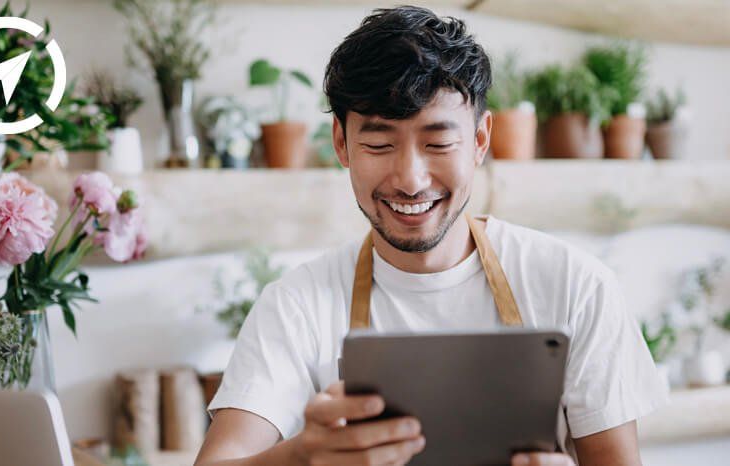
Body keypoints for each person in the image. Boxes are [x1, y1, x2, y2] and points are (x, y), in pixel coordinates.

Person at [195, 6, 667, 466]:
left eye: (438, 143)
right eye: (379, 144)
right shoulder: (297, 306)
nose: (410, 179)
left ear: (481, 140)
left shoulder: (576, 286)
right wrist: (302, 457)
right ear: (340, 142)